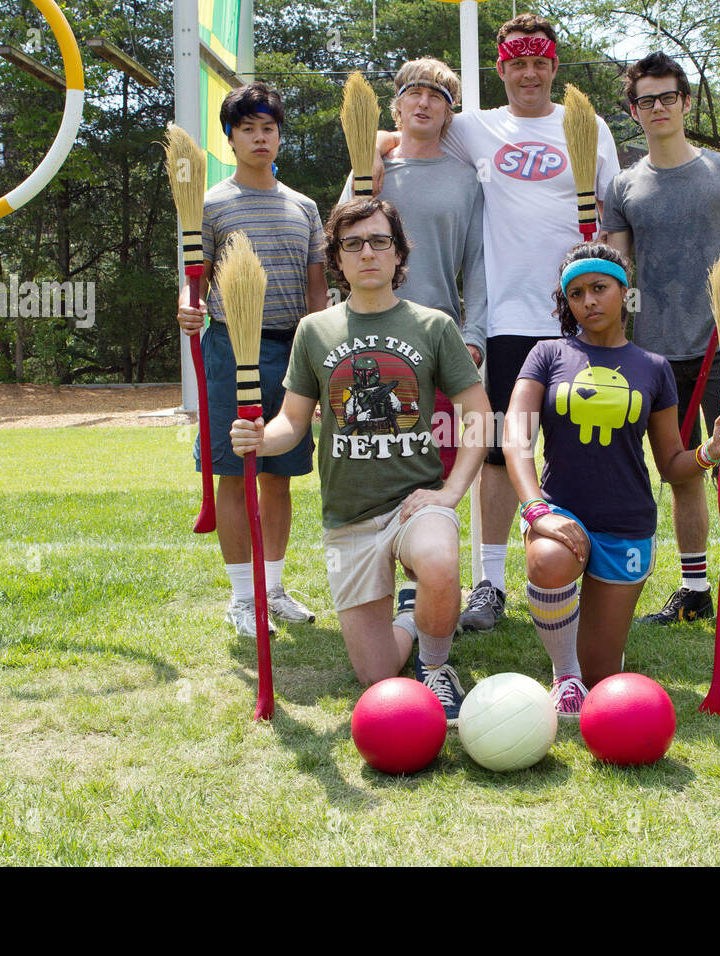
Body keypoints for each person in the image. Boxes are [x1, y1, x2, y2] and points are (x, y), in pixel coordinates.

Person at [375, 12, 621, 633]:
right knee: (494, 452)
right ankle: (489, 583)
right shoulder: (477, 128)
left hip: (580, 312)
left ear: (554, 66)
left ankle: (576, 565)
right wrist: (374, 151)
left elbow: (613, 219)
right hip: (508, 315)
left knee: (579, 447)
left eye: (540, 61)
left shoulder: (586, 128)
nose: (529, 72)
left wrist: (618, 301)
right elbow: (412, 130)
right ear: (501, 67)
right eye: (517, 62)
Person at [230, 198, 490, 722]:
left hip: (414, 503)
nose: (367, 252)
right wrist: (260, 439)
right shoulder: (314, 330)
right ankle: (416, 620)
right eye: (353, 244)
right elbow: (292, 424)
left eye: (379, 241)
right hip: (348, 516)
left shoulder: (434, 326)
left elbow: (479, 418)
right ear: (338, 260)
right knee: (376, 676)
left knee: (438, 561)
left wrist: (451, 493)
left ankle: (437, 669)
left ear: (398, 255)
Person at [503, 243, 720, 715]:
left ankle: (585, 669)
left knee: (603, 675)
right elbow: (515, 438)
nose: (588, 301)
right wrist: (537, 511)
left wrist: (709, 452)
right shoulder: (547, 354)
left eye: (599, 288)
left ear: (624, 293)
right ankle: (563, 676)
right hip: (560, 510)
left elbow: (672, 463)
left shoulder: (652, 368)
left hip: (626, 524)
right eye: (575, 294)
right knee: (550, 563)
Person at [602, 52, 720, 639]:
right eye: (646, 100)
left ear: (685, 102)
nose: (658, 108)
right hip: (655, 354)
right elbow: (618, 265)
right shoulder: (623, 184)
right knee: (682, 474)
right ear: (634, 111)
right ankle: (696, 590)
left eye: (667, 97)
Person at [340, 57, 487, 619]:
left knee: (434, 465)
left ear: (449, 113)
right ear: (396, 104)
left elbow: (476, 263)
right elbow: (343, 246)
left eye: (437, 97)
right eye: (413, 94)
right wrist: (372, 156)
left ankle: (420, 584)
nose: (424, 104)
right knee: (381, 453)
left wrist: (472, 330)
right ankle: (377, 582)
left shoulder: (464, 177)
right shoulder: (367, 167)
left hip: (440, 340)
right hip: (370, 340)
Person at [177, 82, 325, 636]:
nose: (259, 138)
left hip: (291, 349)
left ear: (280, 135)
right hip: (228, 347)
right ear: (231, 137)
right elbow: (192, 282)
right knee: (235, 472)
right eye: (247, 129)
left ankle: (275, 588)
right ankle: (244, 597)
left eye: (268, 128)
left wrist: (321, 353)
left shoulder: (303, 207)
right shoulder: (210, 205)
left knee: (279, 474)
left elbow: (317, 292)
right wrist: (188, 310)